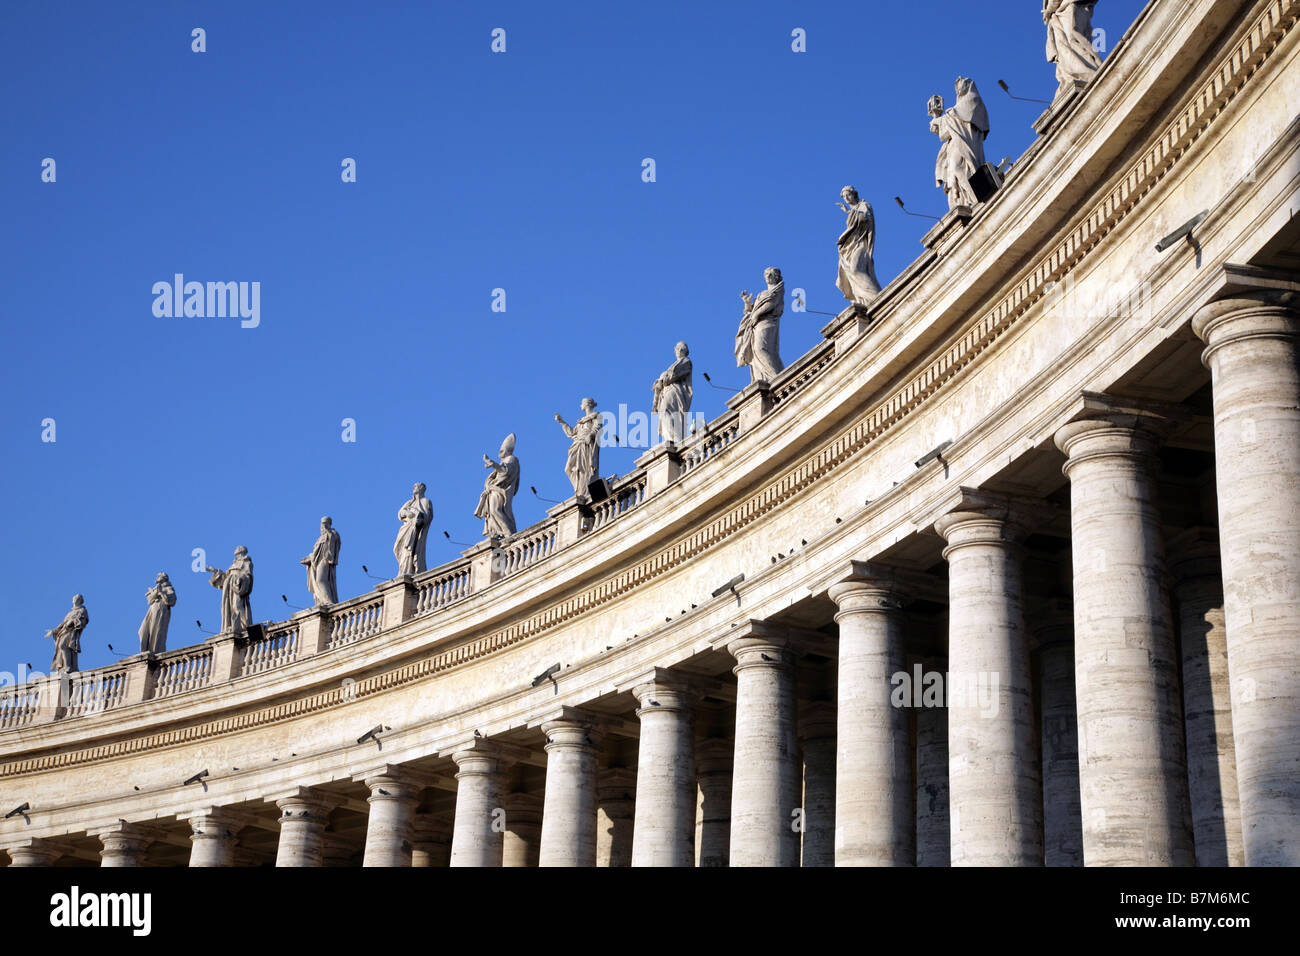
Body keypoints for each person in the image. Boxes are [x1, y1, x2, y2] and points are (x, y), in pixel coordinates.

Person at [735, 267, 785, 383]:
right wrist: (747, 303)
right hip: (755, 324)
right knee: (755, 352)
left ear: (776, 276)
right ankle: (763, 379)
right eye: (766, 275)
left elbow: (771, 304)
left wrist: (757, 314)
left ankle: (776, 379)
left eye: (770, 274)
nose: (768, 277)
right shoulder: (762, 293)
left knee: (761, 349)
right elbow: (750, 311)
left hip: (767, 323)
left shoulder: (778, 290)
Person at [835, 187, 881, 304]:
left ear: (854, 194)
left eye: (848, 195)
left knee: (855, 269)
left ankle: (876, 298)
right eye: (844, 197)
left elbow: (865, 218)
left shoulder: (864, 205)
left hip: (861, 243)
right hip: (851, 245)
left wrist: (852, 212)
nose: (846, 198)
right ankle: (862, 300)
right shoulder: (854, 210)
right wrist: (849, 211)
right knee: (851, 270)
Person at [475, 434, 520, 538]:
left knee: (495, 510)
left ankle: (508, 533)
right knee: (492, 512)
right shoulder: (504, 461)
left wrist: (493, 464)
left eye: (502, 450)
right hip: (493, 490)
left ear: (508, 450)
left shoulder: (512, 459)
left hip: (500, 491)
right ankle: (497, 532)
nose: (500, 452)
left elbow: (506, 472)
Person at [555, 399, 602, 496]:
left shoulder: (597, 416)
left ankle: (583, 491)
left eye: (582, 403)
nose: (580, 405)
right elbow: (572, 432)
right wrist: (561, 422)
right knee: (568, 469)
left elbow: (597, 428)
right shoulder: (581, 421)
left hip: (587, 444)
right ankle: (578, 488)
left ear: (587, 404)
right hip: (577, 444)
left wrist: (590, 435)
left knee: (584, 469)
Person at [207, 547, 253, 638]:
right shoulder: (233, 565)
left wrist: (240, 580)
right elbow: (225, 578)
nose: (237, 556)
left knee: (237, 605)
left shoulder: (247, 563)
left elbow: (248, 576)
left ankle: (240, 627)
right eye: (236, 554)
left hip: (237, 586)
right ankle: (230, 626)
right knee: (228, 608)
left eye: (238, 554)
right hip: (229, 587)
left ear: (242, 553)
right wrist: (215, 571)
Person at [653, 342, 694, 443]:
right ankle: (670, 439)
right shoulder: (677, 363)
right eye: (676, 349)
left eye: (677, 349)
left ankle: (675, 439)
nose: (676, 351)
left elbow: (673, 376)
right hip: (667, 392)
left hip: (675, 392)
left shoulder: (686, 361)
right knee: (665, 414)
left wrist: (663, 378)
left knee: (666, 411)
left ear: (682, 350)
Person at [394, 483, 432, 575]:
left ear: (422, 489)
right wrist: (407, 513)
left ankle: (408, 571)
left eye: (417, 486)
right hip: (406, 529)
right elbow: (400, 513)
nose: (414, 488)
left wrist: (419, 520)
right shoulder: (409, 502)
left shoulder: (425, 501)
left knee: (410, 550)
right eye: (414, 486)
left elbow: (427, 517)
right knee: (399, 548)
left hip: (416, 530)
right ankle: (403, 570)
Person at [301, 517, 341, 605]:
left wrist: (328, 531)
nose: (322, 526)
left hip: (325, 559)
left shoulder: (333, 534)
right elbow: (316, 551)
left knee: (320, 580)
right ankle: (322, 601)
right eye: (321, 524)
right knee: (318, 581)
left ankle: (328, 602)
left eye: (325, 523)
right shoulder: (319, 539)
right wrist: (309, 558)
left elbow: (334, 545)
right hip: (316, 561)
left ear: (329, 524)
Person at [47, 594, 89, 673]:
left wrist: (73, 621)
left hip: (72, 632)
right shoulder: (70, 613)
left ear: (80, 600)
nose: (74, 599)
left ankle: (68, 666)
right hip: (64, 632)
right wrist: (54, 631)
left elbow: (83, 621)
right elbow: (62, 624)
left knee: (63, 645)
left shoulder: (82, 610)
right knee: (61, 647)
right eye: (74, 598)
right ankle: (65, 666)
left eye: (76, 598)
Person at [138, 572, 176, 654]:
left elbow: (171, 601)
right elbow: (149, 600)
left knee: (156, 630)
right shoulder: (156, 588)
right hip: (152, 610)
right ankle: (145, 649)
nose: (157, 578)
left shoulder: (169, 588)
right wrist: (155, 592)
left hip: (161, 610)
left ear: (164, 578)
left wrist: (161, 593)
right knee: (142, 630)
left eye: (159, 576)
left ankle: (154, 651)